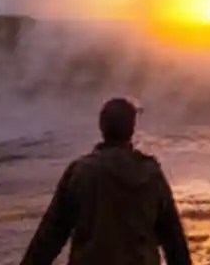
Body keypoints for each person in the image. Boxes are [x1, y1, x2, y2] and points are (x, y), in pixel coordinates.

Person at [20, 97, 192, 265]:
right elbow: (174, 240)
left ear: (101, 127)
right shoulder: (151, 174)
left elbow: (50, 235)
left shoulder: (81, 172)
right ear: (131, 130)